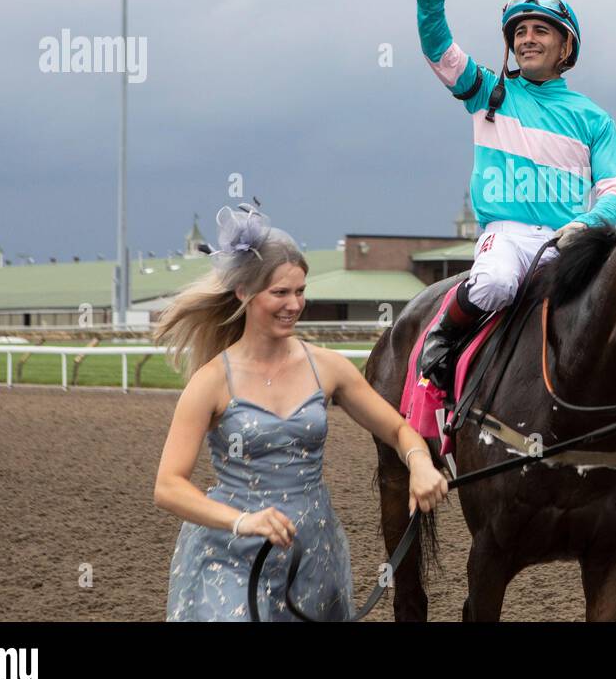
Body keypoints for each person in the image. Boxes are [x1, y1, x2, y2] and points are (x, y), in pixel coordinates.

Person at [154, 204, 449, 621]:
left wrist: (419, 462)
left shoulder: (327, 368)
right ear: (243, 292)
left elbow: (399, 430)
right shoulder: (211, 382)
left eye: (300, 291)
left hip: (313, 553)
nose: (294, 304)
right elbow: (168, 486)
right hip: (231, 555)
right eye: (280, 293)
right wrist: (244, 521)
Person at [404, 0, 616, 389]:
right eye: (520, 32)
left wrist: (586, 224)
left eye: (540, 31)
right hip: (505, 236)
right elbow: (439, 50)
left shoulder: (594, 118)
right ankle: (442, 338)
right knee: (494, 284)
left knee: (610, 303)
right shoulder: (489, 91)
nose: (527, 39)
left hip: (566, 240)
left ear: (566, 47)